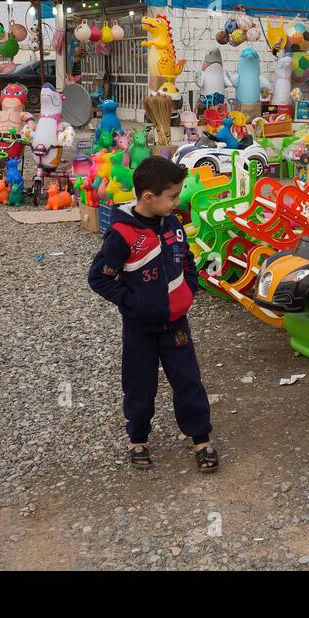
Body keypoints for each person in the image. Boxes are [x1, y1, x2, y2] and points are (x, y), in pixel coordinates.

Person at [87, 156, 218, 472]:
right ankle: (138, 439)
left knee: (188, 381)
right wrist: (131, 303)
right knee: (139, 385)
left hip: (176, 324)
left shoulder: (173, 224)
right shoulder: (121, 233)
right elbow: (99, 277)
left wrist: (189, 287)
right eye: (173, 196)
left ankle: (201, 439)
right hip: (139, 328)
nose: (177, 201)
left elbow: (186, 259)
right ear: (148, 197)